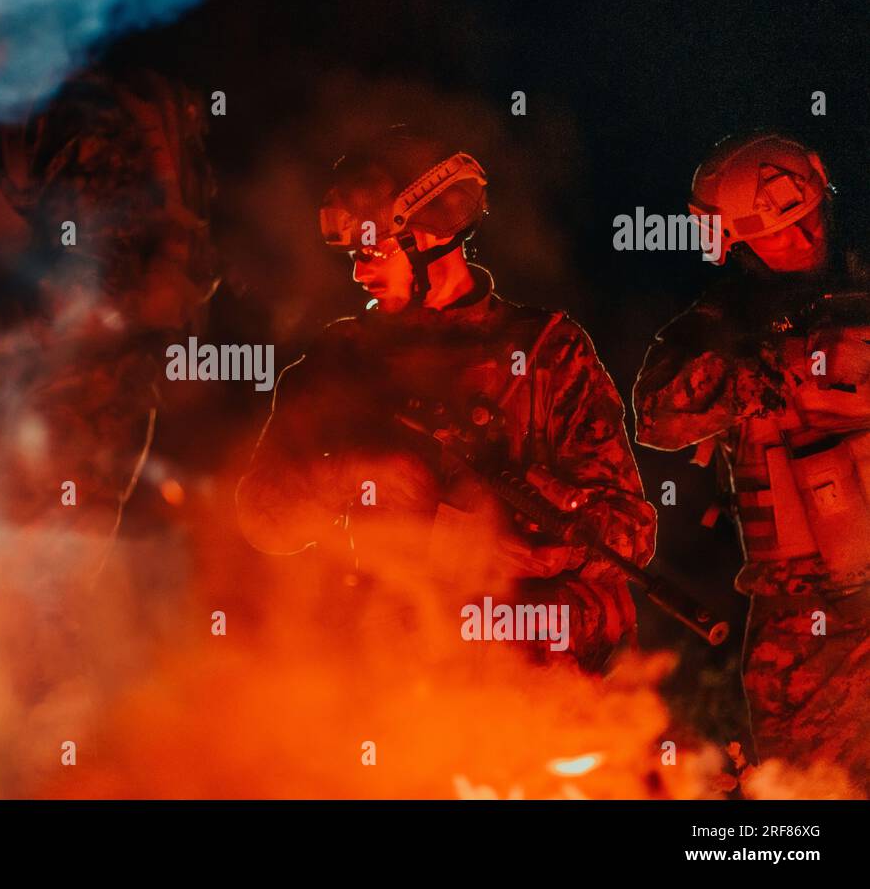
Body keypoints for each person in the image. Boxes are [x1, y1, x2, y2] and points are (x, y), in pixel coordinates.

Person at [235, 128, 656, 672]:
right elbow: (262, 520)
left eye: (374, 249)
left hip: (543, 687)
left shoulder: (548, 353)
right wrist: (348, 473)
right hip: (399, 679)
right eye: (354, 255)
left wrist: (536, 542)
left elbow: (632, 534)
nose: (360, 271)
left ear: (430, 236)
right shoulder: (337, 362)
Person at [634, 132, 870, 787]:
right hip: (807, 627)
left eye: (809, 217)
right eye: (778, 233)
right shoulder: (725, 322)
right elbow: (658, 417)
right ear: (735, 244)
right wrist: (767, 367)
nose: (802, 240)